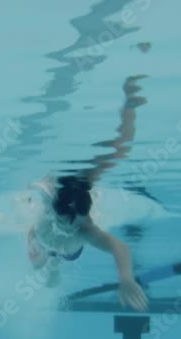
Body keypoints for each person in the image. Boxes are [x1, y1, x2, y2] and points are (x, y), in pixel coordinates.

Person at [24, 74, 150, 312]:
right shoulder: (80, 222)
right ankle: (131, 101)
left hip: (56, 240)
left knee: (45, 259)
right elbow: (120, 247)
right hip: (52, 237)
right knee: (43, 260)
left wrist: (126, 278)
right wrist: (125, 278)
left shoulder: (72, 217)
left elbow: (121, 248)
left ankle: (51, 266)